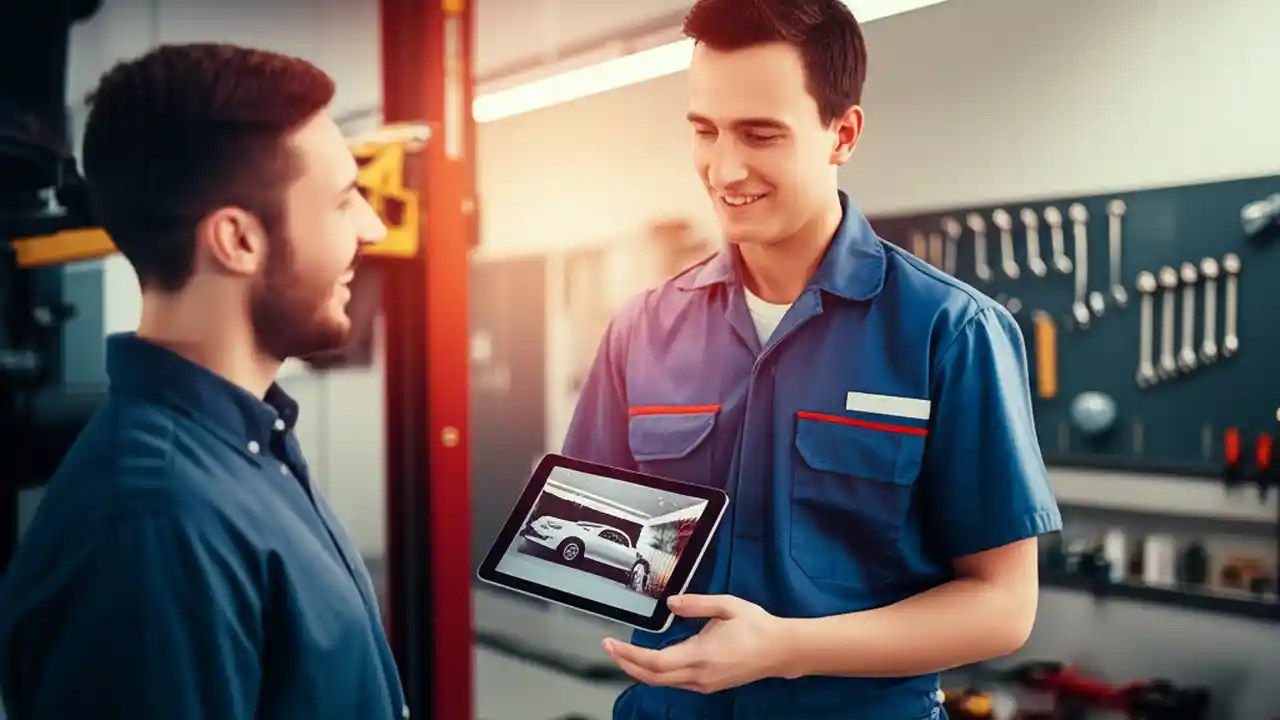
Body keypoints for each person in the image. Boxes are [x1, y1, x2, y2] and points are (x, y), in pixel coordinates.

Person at [561, 1, 1063, 718]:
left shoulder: (951, 332)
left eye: (760, 134)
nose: (724, 168)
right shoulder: (641, 327)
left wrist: (786, 648)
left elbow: (1002, 607)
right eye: (704, 130)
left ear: (843, 134)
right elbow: (589, 541)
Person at [0, 44, 406, 719]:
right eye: (343, 202)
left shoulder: (247, 447)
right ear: (237, 240)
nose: (375, 226)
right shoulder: (155, 528)